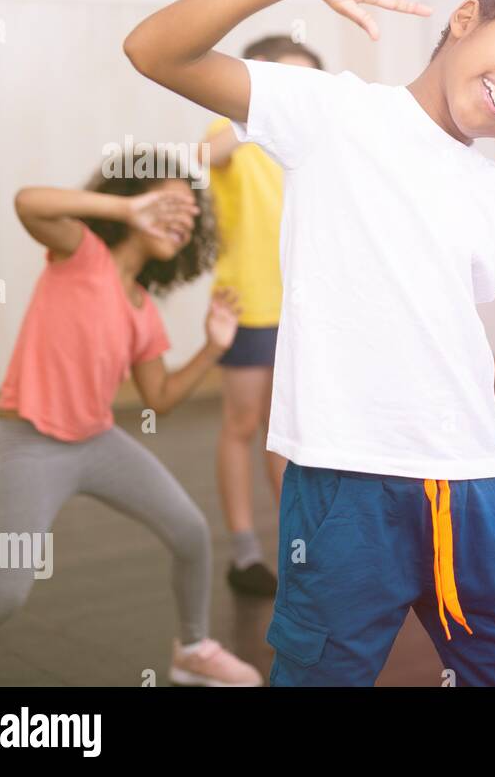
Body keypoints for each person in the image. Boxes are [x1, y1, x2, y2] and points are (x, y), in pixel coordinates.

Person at [124, 0, 495, 686]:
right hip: (342, 484)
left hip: (470, 484)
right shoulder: (332, 110)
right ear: (467, 18)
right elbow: (154, 50)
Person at [0, 151, 261, 686]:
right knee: (5, 592)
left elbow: (159, 397)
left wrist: (213, 347)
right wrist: (129, 210)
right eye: (170, 204)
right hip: (31, 443)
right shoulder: (79, 251)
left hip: (97, 442)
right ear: (132, 198)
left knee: (189, 530)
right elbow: (28, 202)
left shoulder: (141, 307)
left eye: (189, 216)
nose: (181, 220)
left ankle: (192, 649)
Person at [205, 34, 323, 597]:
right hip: (248, 304)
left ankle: (297, 549)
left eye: (307, 80)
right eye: (285, 79)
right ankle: (245, 552)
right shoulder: (231, 134)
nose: (298, 91)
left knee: (290, 436)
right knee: (242, 423)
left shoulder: (319, 144)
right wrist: (255, 111)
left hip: (306, 307)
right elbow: (201, 159)